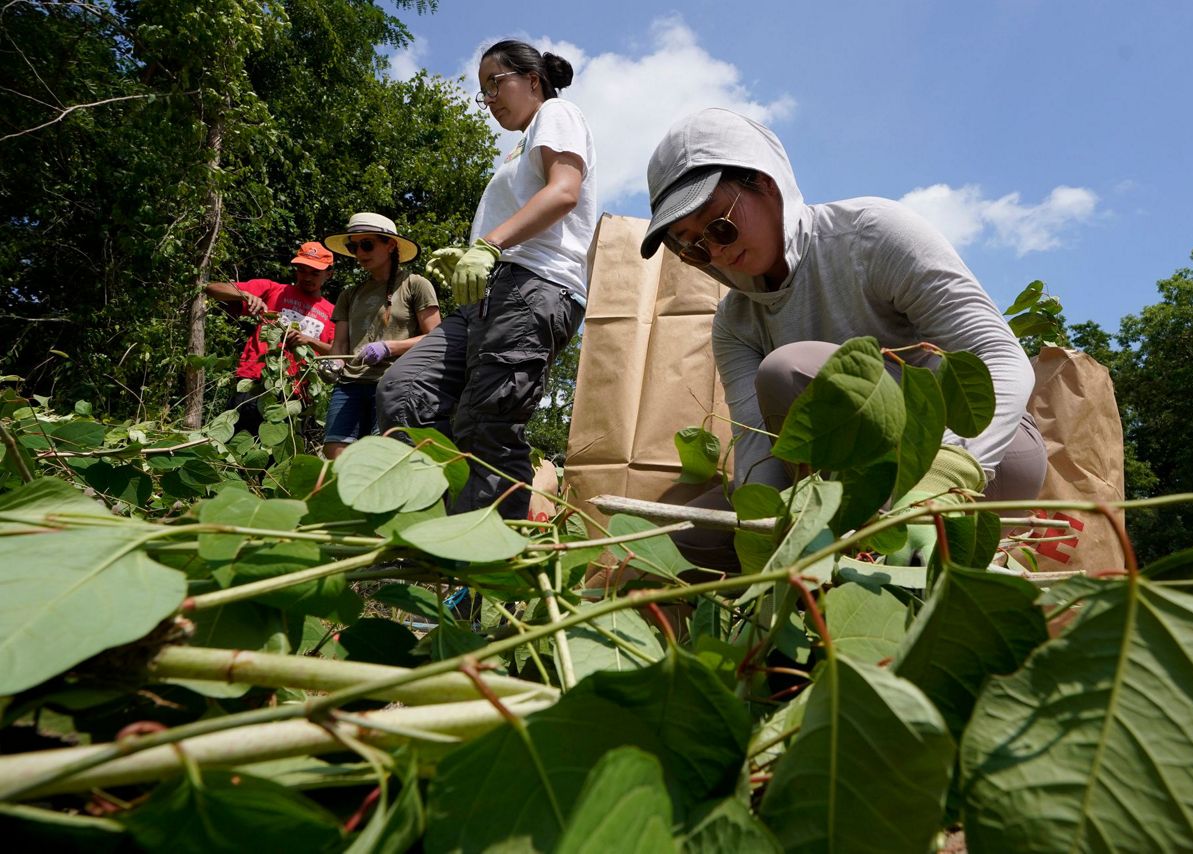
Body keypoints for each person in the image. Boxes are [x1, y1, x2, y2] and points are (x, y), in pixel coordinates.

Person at [640, 108, 1048, 570]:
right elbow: (759, 452)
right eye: (692, 246)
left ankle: (902, 540)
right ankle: (853, 553)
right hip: (841, 488)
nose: (715, 250)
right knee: (675, 542)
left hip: (984, 458)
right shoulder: (734, 323)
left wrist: (943, 476)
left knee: (788, 371)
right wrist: (764, 549)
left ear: (766, 184)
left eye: (719, 226)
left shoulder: (871, 237)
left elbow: (999, 356)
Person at [377, 40, 596, 521]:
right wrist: (473, 252)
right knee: (405, 389)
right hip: (492, 293)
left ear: (533, 81)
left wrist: (490, 245)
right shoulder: (521, 146)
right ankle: (436, 525)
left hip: (533, 286)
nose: (490, 99)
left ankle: (481, 558)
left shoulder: (557, 113)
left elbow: (564, 192)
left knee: (488, 426)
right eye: (484, 91)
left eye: (495, 84)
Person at [321, 212, 440, 459]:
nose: (359, 253)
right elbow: (340, 344)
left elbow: (435, 338)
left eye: (367, 244)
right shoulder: (349, 294)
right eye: (353, 247)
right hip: (350, 384)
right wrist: (334, 363)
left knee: (383, 456)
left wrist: (389, 347)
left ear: (390, 245)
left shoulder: (415, 285)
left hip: (394, 383)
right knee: (335, 453)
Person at [205, 241, 336, 438]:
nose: (307, 277)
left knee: (277, 450)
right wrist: (244, 295)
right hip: (255, 381)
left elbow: (337, 352)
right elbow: (212, 288)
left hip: (294, 394)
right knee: (234, 445)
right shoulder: (273, 290)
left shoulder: (332, 313)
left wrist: (309, 340)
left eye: (315, 273)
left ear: (329, 274)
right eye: (302, 270)